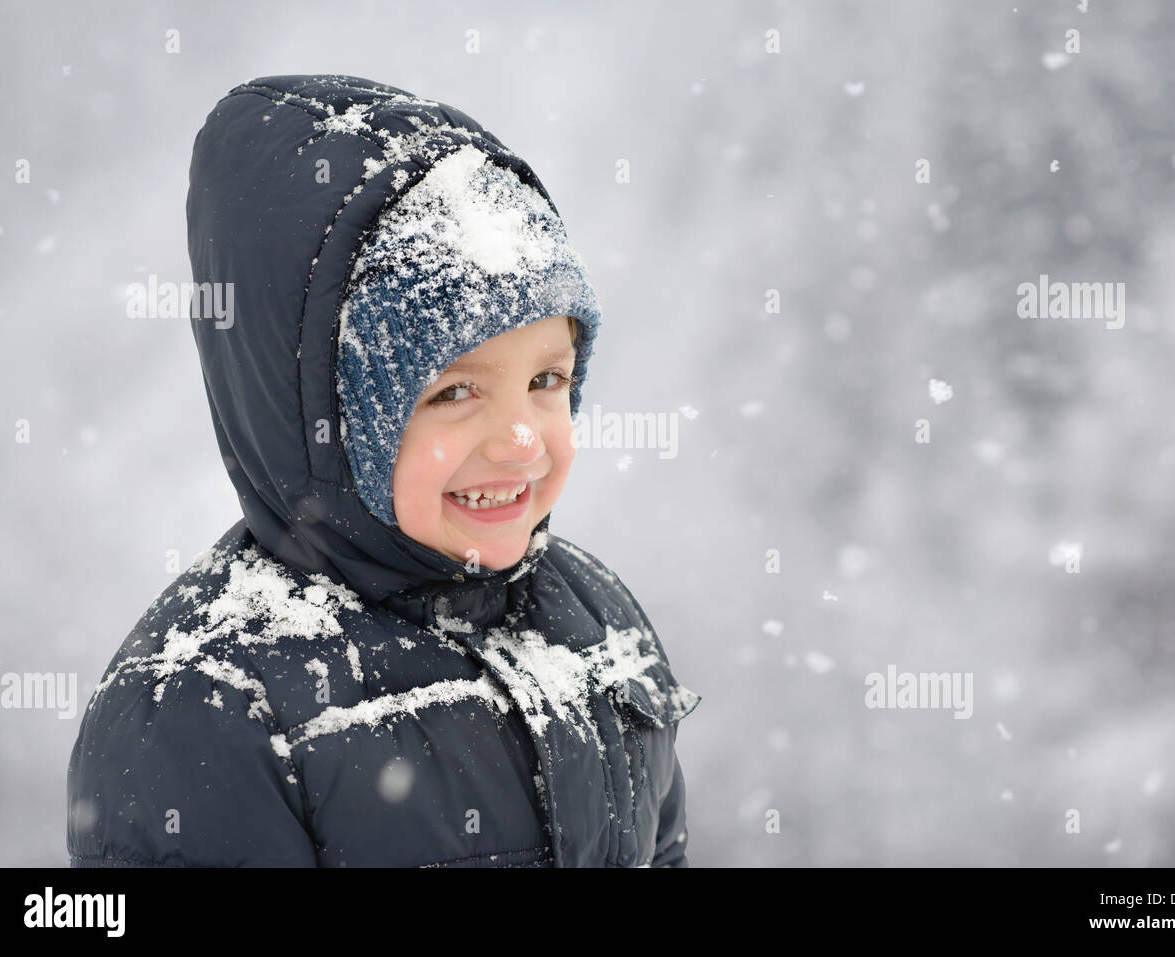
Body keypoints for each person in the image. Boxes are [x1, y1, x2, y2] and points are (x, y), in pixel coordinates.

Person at [66, 74, 700, 868]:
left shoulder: (595, 617)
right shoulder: (208, 708)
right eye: (455, 391)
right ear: (320, 424)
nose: (520, 440)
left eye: (547, 381)